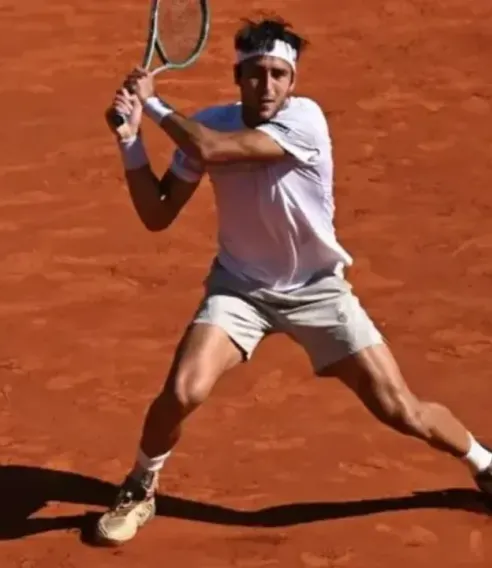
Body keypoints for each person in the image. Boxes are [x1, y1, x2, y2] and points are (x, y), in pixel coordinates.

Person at [97, 16, 492, 546]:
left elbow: (213, 150)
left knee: (401, 409)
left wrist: (155, 106)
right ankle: (140, 484)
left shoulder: (304, 120)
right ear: (238, 77)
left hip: (317, 291)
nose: (267, 86)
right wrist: (129, 141)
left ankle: (484, 462)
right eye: (256, 73)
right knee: (184, 389)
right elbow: (157, 213)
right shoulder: (211, 122)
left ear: (293, 80)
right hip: (241, 289)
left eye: (279, 74)